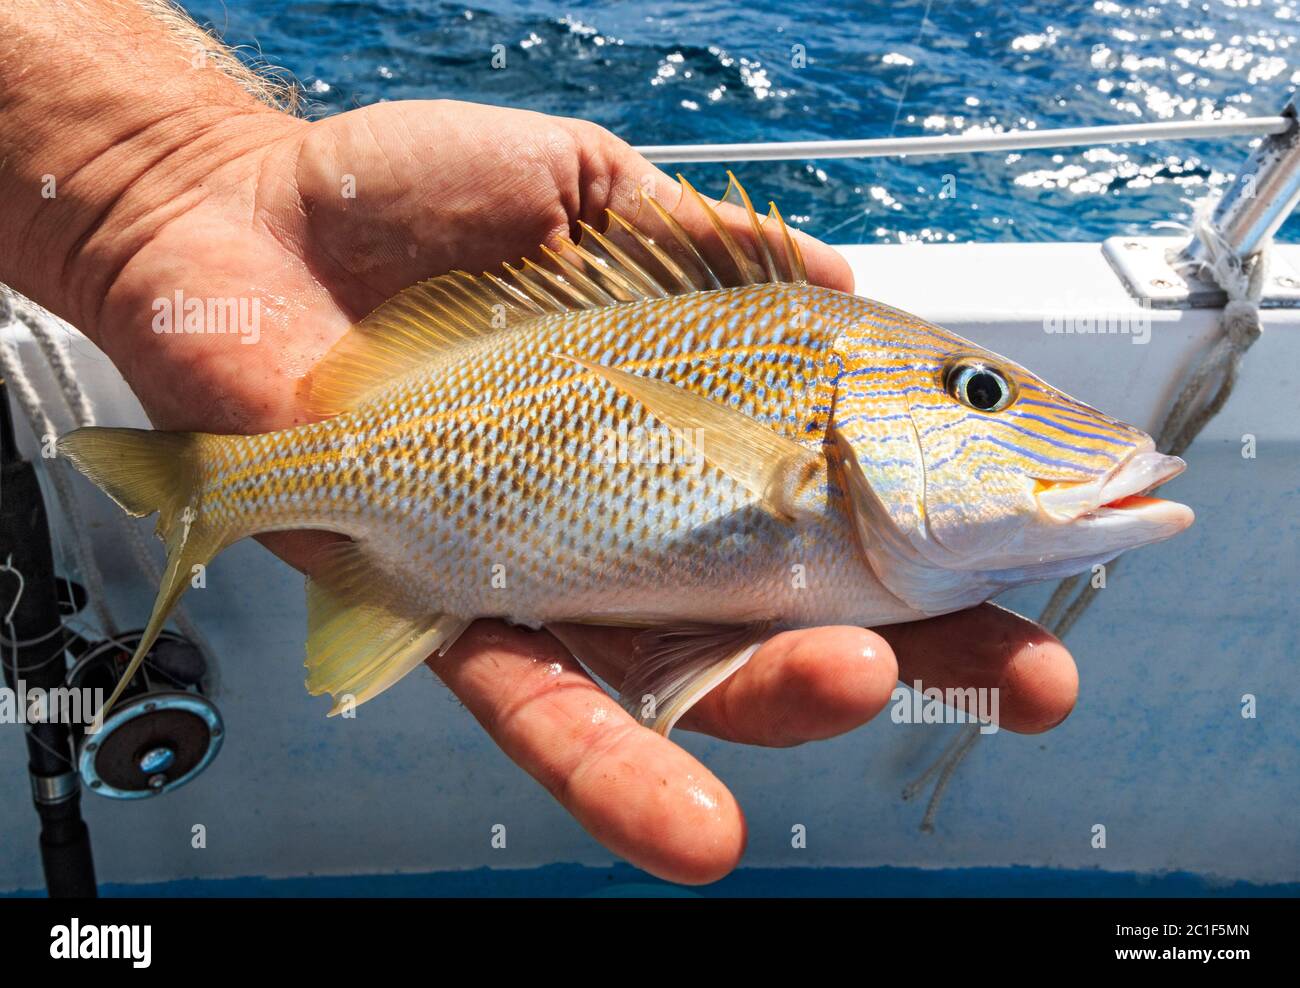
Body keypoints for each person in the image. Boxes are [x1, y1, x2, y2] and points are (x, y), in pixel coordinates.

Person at [0, 0, 1077, 884]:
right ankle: (216, 487)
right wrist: (162, 189)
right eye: (977, 392)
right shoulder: (817, 426)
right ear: (839, 440)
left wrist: (155, 186)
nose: (1037, 430)